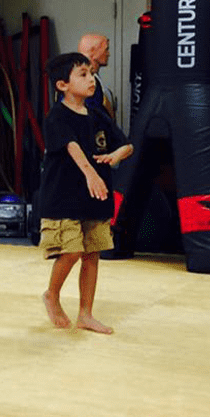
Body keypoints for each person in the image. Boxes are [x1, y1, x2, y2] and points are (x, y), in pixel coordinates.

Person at [39, 52, 133, 335]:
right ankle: (52, 295)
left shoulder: (97, 115)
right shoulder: (56, 116)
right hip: (63, 197)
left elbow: (126, 145)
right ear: (62, 85)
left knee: (92, 254)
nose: (91, 79)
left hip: (94, 197)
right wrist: (92, 175)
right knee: (72, 250)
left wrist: (116, 155)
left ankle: (86, 314)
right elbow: (72, 147)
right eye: (82, 74)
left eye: (91, 73)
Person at [77, 33, 116, 119]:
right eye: (106, 49)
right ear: (93, 52)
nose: (108, 54)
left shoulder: (93, 79)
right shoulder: (83, 84)